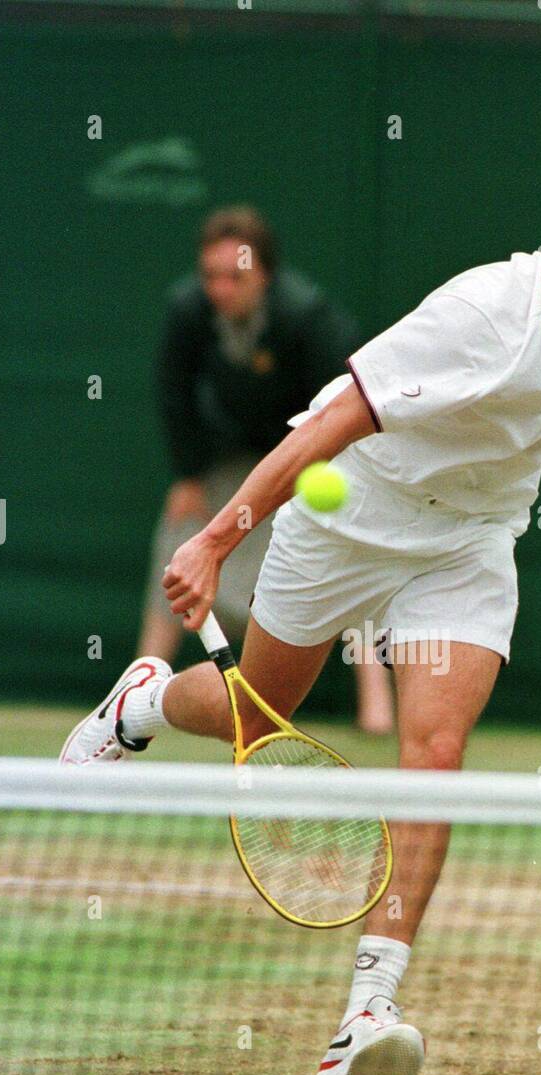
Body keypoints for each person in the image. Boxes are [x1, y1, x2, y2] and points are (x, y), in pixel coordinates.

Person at [61, 136, 541, 1075]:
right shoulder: (479, 319)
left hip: (466, 545)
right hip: (350, 517)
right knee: (257, 703)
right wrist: (209, 541)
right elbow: (329, 424)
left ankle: (367, 1010)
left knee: (437, 748)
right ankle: (148, 702)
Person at [138, 204, 395, 734]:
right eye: (210, 276)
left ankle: (376, 707)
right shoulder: (188, 312)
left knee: (350, 561)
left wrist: (328, 474)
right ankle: (136, 687)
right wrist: (188, 477)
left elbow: (349, 406)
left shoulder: (311, 319)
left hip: (315, 456)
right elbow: (173, 393)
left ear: (266, 275)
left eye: (236, 277)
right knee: (177, 538)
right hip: (233, 456)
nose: (220, 289)